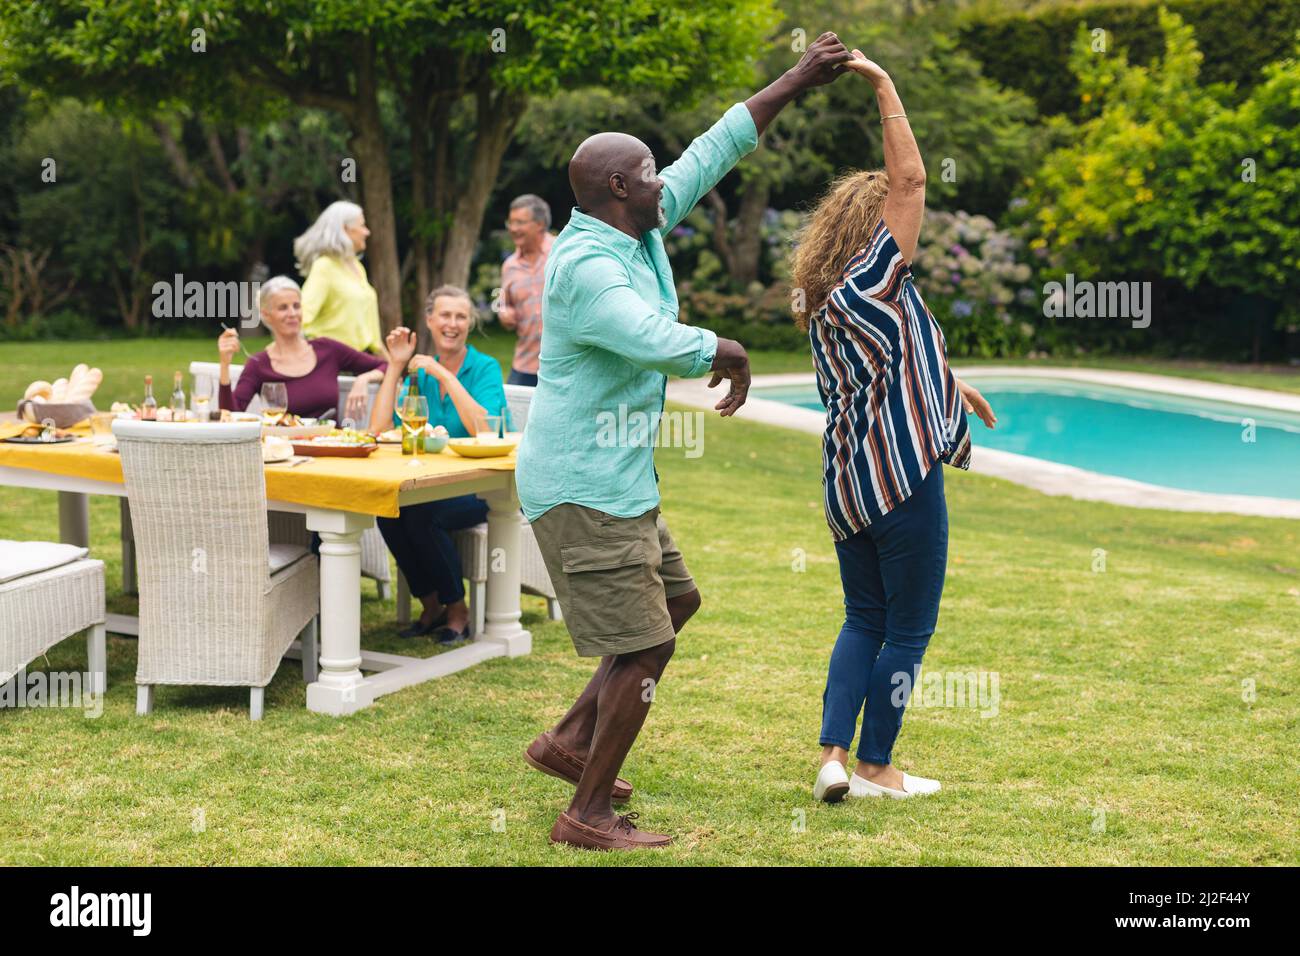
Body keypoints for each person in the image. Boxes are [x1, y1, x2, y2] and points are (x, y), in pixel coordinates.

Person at [515, 32, 856, 851]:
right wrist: (722, 349)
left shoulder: (639, 225)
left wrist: (799, 78)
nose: (668, 176)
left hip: (617, 476)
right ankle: (586, 815)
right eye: (652, 169)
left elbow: (717, 146)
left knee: (676, 603)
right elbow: (646, 335)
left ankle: (566, 742)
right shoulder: (586, 267)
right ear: (621, 185)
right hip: (580, 485)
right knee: (645, 645)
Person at [790, 51, 998, 804]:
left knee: (862, 620)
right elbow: (910, 179)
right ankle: (877, 765)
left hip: (846, 486)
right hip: (901, 481)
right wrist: (882, 83)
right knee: (907, 631)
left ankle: (833, 758)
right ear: (875, 226)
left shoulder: (824, 301)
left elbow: (882, 366)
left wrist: (951, 383)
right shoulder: (877, 274)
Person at [367, 286, 506, 642]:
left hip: (480, 487)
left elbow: (485, 429)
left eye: (461, 316)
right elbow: (379, 430)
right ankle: (430, 604)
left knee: (423, 515)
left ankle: (457, 609)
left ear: (470, 324)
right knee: (390, 511)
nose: (453, 323)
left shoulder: (484, 367)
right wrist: (396, 365)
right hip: (430, 483)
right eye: (445, 315)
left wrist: (444, 374)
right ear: (430, 321)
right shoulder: (418, 373)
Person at [217, 276, 386, 421]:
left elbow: (386, 366)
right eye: (283, 308)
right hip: (286, 453)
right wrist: (225, 365)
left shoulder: (328, 350)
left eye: (296, 306)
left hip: (332, 447)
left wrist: (363, 380)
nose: (292, 313)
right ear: (266, 315)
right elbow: (231, 415)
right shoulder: (258, 364)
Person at [294, 200, 386, 355]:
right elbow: (301, 317)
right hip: (330, 361)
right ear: (345, 229)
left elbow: (373, 338)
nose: (367, 232)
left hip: (359, 359)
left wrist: (391, 367)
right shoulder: (324, 267)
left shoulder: (356, 266)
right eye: (362, 225)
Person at [498, 194, 554, 386]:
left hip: (562, 363)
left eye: (520, 222)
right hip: (525, 364)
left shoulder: (561, 251)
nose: (513, 229)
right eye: (511, 222)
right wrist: (503, 311)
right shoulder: (509, 266)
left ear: (539, 224)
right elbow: (500, 301)